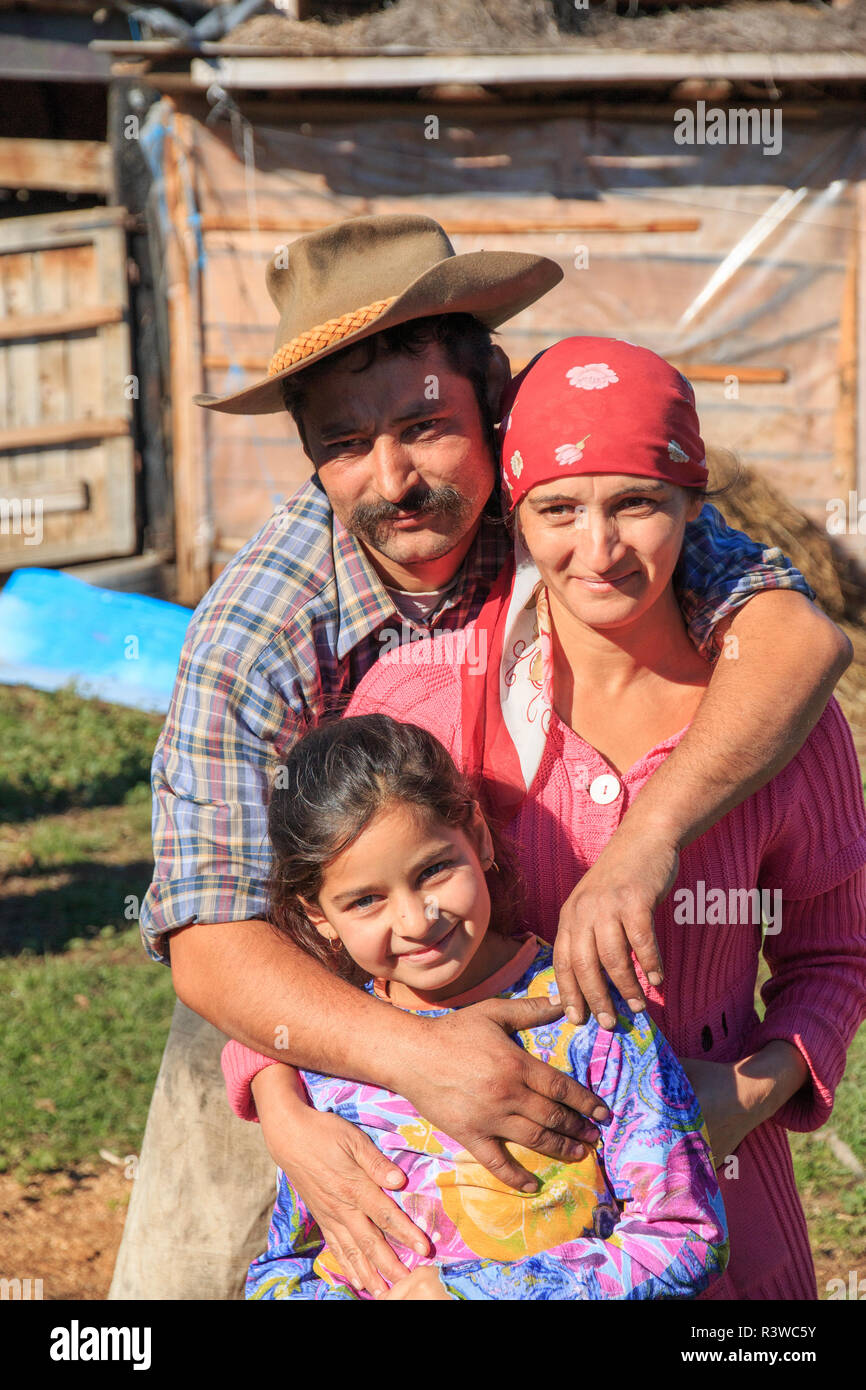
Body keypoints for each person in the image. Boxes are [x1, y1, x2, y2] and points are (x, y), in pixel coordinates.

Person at [110, 216, 851, 1301]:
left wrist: (646, 841)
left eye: (423, 424)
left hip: (585, 1103)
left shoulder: (571, 507)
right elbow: (214, 939)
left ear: (493, 401)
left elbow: (795, 638)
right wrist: (307, 1087)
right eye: (344, 444)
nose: (392, 478)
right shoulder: (261, 633)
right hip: (295, 1002)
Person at [318, 336, 866, 1298]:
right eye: (559, 509)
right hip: (469, 1243)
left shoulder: (781, 723)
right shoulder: (424, 701)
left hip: (723, 1238)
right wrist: (288, 1106)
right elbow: (305, 947)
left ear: (696, 508)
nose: (599, 550)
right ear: (514, 515)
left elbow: (840, 951)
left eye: (638, 504)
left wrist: (745, 1094)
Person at [223, 713, 729, 1301]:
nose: (415, 921)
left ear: (480, 836)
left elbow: (687, 1236)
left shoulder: (589, 1016)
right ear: (318, 916)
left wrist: (479, 1294)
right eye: (364, 901)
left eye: (434, 870)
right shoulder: (329, 1056)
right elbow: (281, 1270)